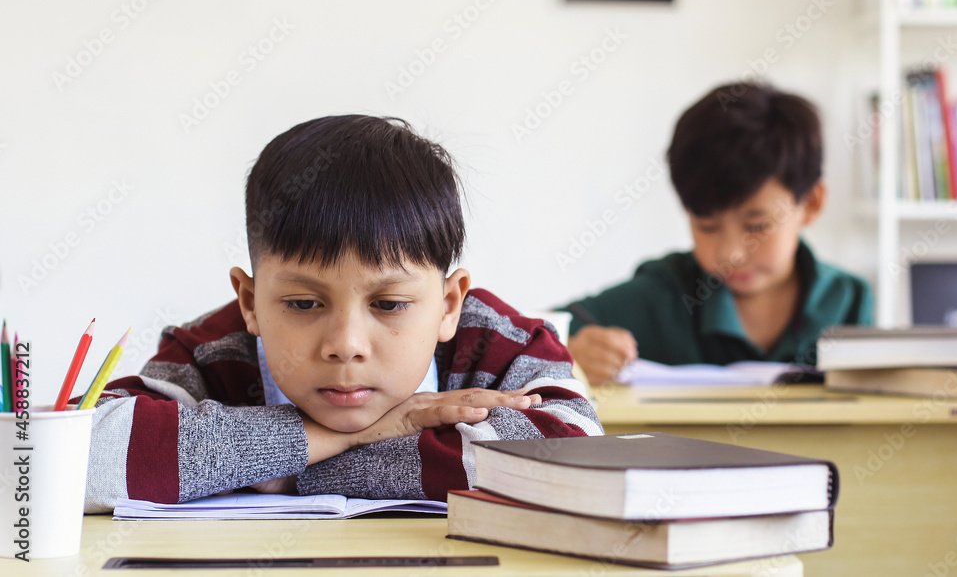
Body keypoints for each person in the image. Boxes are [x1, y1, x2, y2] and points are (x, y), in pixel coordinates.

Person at [83, 115, 602, 513]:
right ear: (250, 302)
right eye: (304, 304)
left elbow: (573, 456)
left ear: (448, 304)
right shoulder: (211, 352)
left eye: (390, 304)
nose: (346, 343)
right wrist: (353, 434)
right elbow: (83, 457)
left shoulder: (501, 341)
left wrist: (277, 471)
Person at [561, 82, 873, 385]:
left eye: (756, 226)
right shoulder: (660, 296)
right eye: (706, 226)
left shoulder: (850, 302)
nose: (730, 254)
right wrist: (570, 352)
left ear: (811, 204)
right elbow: (526, 333)